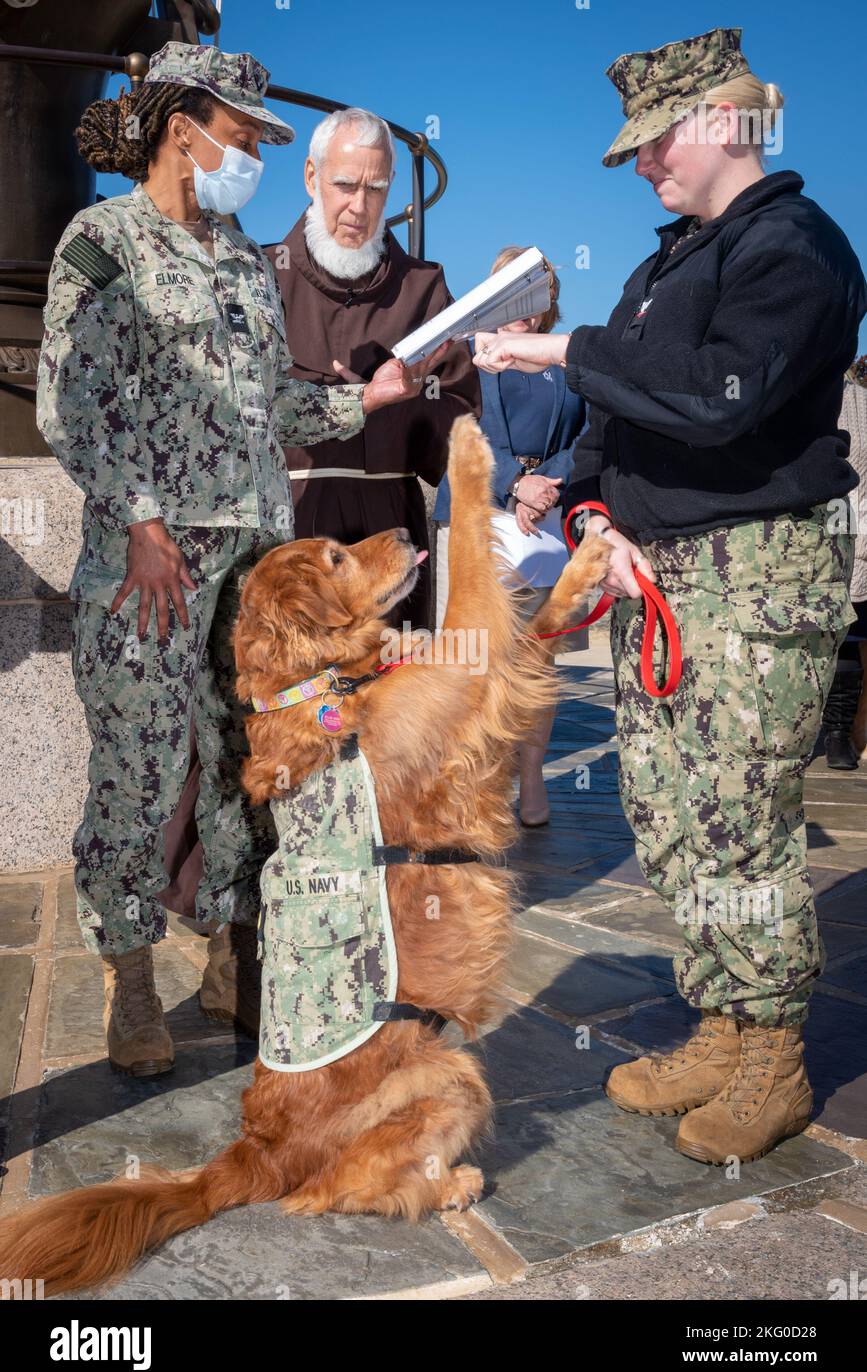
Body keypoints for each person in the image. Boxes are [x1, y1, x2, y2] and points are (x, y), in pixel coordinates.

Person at [474, 27, 866, 1164]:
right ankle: (721, 1020)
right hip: (659, 571)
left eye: (652, 143)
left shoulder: (792, 247)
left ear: (718, 125)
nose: (642, 165)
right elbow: (616, 426)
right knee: (669, 809)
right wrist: (591, 508)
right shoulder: (665, 265)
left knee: (740, 818)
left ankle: (772, 1051)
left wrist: (560, 348)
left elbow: (719, 396)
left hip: (754, 569)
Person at [37, 42, 445, 1077]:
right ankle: (130, 977)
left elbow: (276, 406)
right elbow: (70, 401)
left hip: (251, 580)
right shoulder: (104, 242)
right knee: (137, 778)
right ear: (186, 128)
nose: (255, 154)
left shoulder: (240, 260)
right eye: (246, 135)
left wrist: (369, 400)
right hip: (152, 573)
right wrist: (140, 520)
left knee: (241, 771)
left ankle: (228, 956)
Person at [264, 106, 481, 631]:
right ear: (312, 178)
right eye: (344, 185)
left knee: (393, 697)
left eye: (377, 188)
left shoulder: (423, 287)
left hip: (390, 528)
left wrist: (402, 402)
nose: (360, 206)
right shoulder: (262, 275)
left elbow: (457, 425)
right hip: (289, 526)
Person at [433, 248, 587, 826]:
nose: (524, 306)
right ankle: (474, 779)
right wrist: (516, 483)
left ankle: (531, 776)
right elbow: (454, 429)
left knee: (537, 659)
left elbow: (590, 433)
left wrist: (549, 484)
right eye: (511, 290)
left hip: (543, 524)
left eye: (535, 291)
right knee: (474, 656)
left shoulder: (565, 359)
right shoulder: (464, 356)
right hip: (477, 516)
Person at [821, 355, 867, 768]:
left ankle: (839, 731)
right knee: (834, 633)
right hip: (822, 530)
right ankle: (829, 730)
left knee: (852, 631)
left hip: (859, 526)